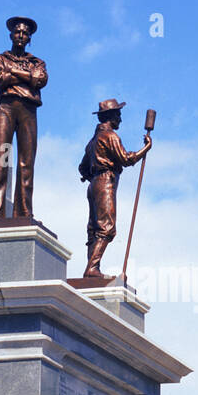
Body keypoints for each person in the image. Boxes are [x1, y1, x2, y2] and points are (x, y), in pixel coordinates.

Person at [78, 100, 150, 278]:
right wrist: (146, 148)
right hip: (105, 182)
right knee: (107, 228)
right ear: (110, 117)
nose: (120, 119)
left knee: (94, 229)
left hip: (93, 184)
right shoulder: (110, 137)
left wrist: (92, 175)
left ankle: (93, 269)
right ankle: (92, 268)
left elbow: (82, 167)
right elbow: (126, 159)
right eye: (118, 115)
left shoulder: (93, 141)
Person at [0, 16, 46, 218]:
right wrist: (26, 76)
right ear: (11, 34)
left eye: (25, 33)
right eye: (18, 32)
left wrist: (14, 72)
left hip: (28, 111)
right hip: (6, 109)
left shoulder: (37, 62)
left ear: (29, 38)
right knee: (2, 157)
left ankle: (24, 211)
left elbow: (40, 80)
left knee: (26, 161)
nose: (21, 35)